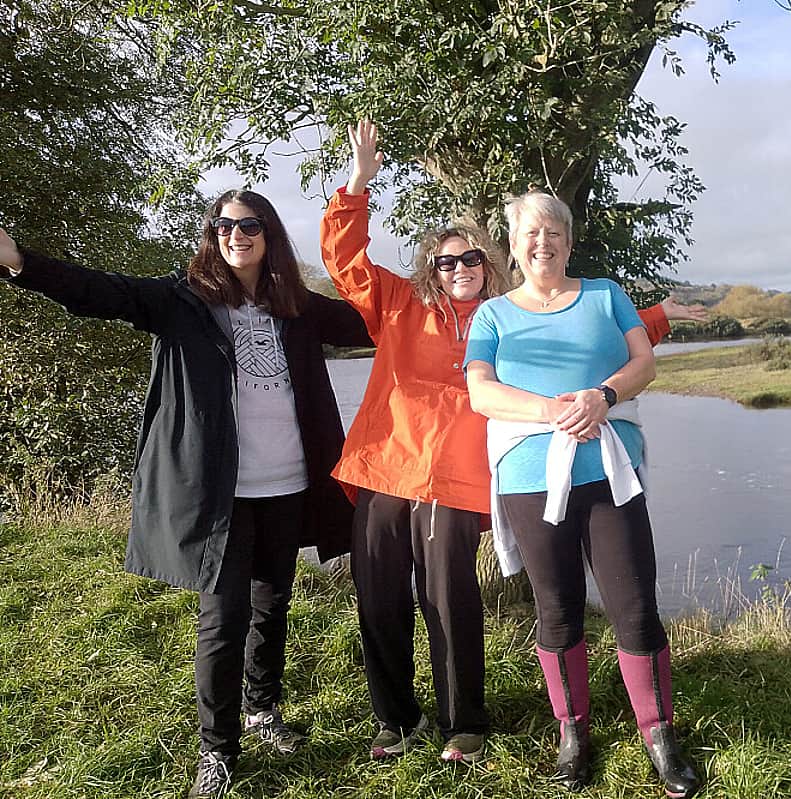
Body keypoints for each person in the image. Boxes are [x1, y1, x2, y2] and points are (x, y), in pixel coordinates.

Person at [321, 121, 706, 768]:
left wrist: (660, 316)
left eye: (471, 258)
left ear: (490, 263)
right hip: (389, 465)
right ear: (431, 268)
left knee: (450, 598)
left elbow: (588, 338)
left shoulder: (505, 311)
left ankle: (463, 723)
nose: (460, 269)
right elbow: (345, 260)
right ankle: (395, 718)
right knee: (379, 596)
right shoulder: (398, 304)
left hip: (456, 479)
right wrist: (357, 183)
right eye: (446, 261)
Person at [0, 190, 371, 799]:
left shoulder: (297, 308)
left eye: (249, 225)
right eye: (224, 225)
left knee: (271, 603)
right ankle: (217, 750)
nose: (236, 234)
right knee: (223, 618)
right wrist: (21, 261)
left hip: (288, 484)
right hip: (219, 493)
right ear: (212, 235)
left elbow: (374, 316)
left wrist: (454, 294)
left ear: (268, 235)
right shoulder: (181, 301)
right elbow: (101, 292)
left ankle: (263, 710)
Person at [464, 189, 701, 797]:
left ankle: (658, 734)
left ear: (569, 241)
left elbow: (643, 361)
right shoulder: (491, 315)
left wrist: (603, 396)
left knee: (634, 604)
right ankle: (573, 731)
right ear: (513, 247)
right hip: (530, 479)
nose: (542, 243)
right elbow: (482, 393)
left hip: (609, 472)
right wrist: (553, 410)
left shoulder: (604, 295)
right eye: (530, 235)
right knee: (557, 606)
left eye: (554, 233)